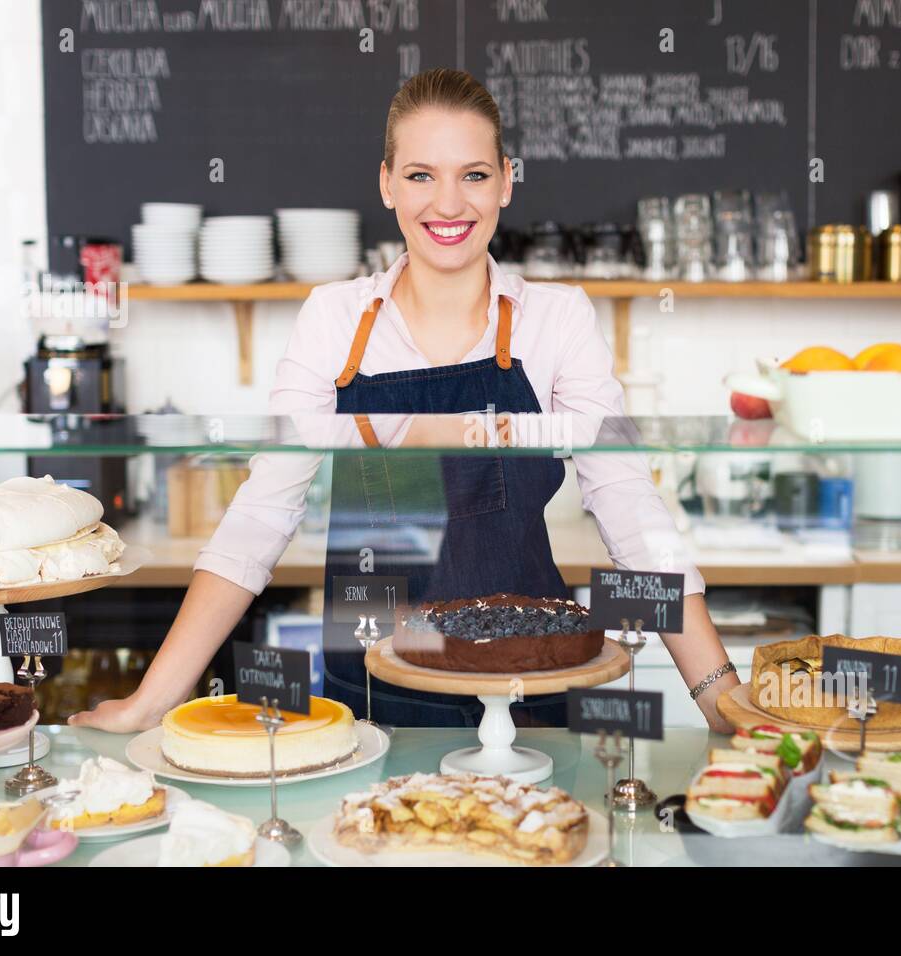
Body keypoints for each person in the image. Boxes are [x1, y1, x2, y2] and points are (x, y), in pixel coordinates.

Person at [71, 68, 739, 734]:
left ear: (507, 179)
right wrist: (150, 702)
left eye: (473, 175)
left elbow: (629, 509)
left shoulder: (558, 320)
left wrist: (717, 692)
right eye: (421, 175)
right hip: (372, 696)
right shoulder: (333, 319)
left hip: (529, 689)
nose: (448, 204)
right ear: (387, 183)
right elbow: (260, 517)